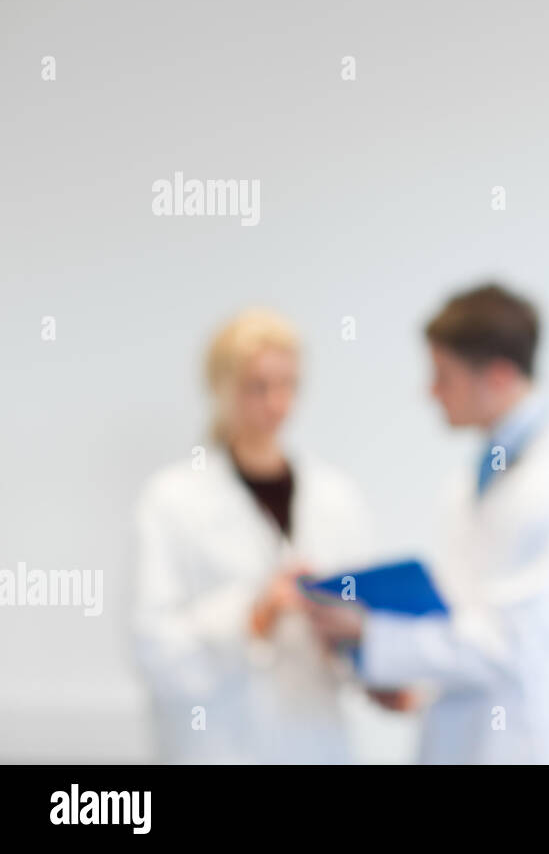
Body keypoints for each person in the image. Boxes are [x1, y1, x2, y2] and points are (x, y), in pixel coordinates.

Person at [306, 283, 549, 764]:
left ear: (496, 375)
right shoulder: (478, 478)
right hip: (474, 735)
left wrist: (372, 636)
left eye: (443, 376)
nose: (430, 392)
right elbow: (469, 618)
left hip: (533, 742)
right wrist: (415, 686)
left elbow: (512, 646)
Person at [131, 308, 378, 763]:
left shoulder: (336, 496)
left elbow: (367, 633)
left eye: (288, 385)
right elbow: (154, 649)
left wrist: (348, 633)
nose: (276, 403)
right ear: (221, 389)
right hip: (220, 745)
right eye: (257, 387)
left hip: (314, 741)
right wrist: (255, 613)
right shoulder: (171, 500)